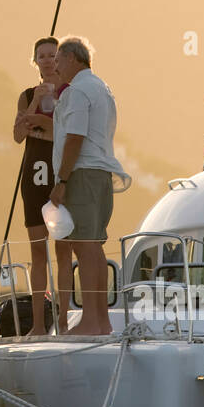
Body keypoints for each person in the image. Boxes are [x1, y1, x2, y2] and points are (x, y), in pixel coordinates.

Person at [49, 37, 130, 335]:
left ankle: (91, 322)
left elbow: (75, 137)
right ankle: (100, 321)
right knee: (93, 245)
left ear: (72, 58)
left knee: (83, 246)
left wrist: (62, 181)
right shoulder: (102, 88)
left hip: (82, 175)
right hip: (101, 174)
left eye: (58, 60)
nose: (55, 67)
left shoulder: (78, 91)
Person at [13, 36, 74, 337]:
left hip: (60, 175)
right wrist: (36, 105)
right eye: (42, 56)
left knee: (64, 252)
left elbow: (64, 132)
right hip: (34, 176)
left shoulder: (70, 93)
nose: (48, 61)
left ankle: (63, 322)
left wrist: (37, 124)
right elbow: (18, 134)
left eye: (53, 55)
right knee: (38, 252)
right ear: (35, 61)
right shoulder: (26, 95)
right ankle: (38, 324)